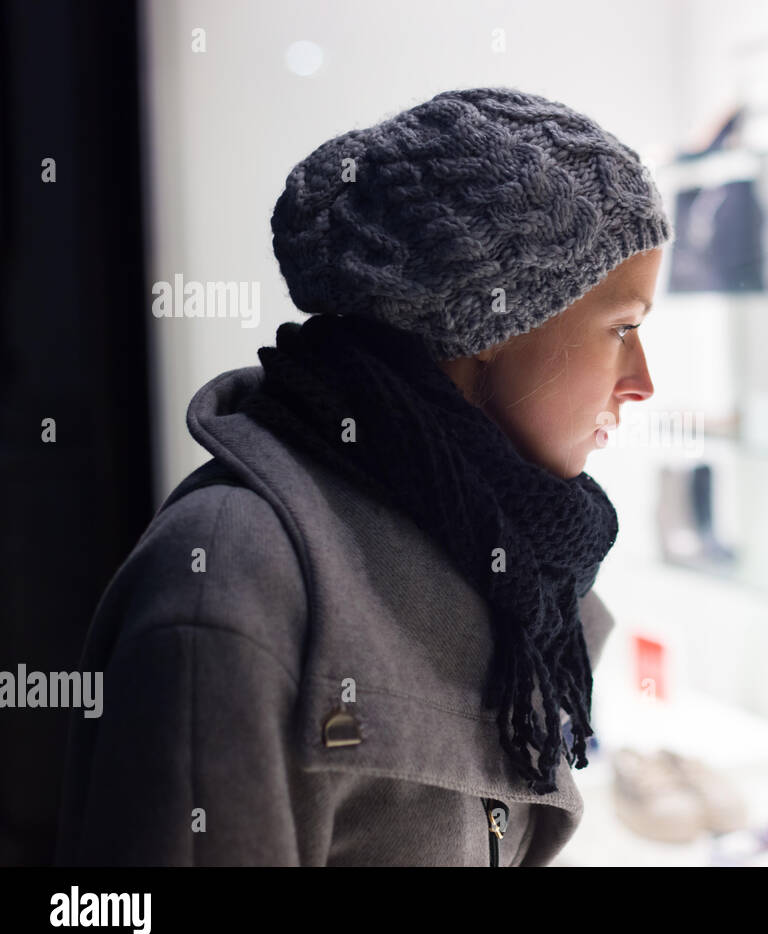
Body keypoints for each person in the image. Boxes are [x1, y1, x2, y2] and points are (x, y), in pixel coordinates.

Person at [54, 87, 673, 866]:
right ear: (490, 321)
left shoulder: (506, 568)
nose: (643, 380)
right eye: (622, 328)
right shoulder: (232, 577)